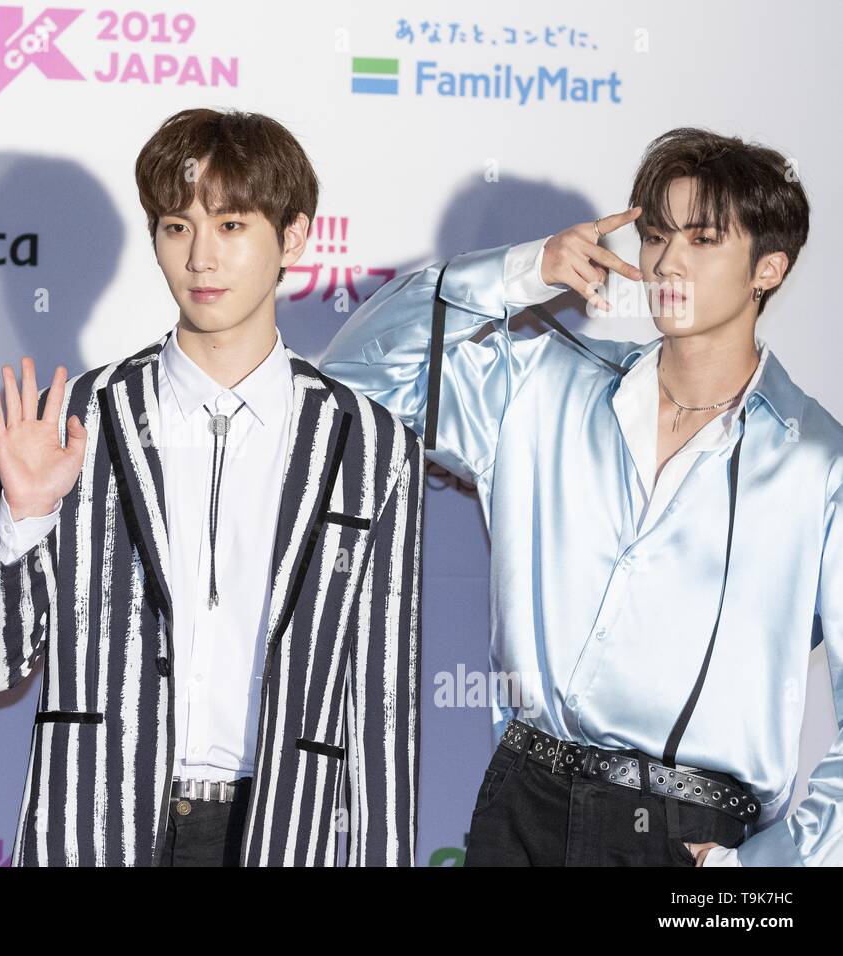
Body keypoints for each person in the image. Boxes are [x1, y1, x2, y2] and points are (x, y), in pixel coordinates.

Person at [319, 127, 841, 866]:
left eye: (703, 239)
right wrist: (518, 273)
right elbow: (354, 378)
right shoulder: (541, 384)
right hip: (522, 805)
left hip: (692, 836)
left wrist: (763, 869)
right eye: (657, 236)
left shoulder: (819, 463)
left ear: (769, 268)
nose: (668, 262)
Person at [0, 108, 423, 866]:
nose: (202, 257)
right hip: (96, 825)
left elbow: (382, 707)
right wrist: (24, 516)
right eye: (177, 227)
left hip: (281, 832)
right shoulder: (79, 416)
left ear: (294, 238)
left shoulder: (368, 444)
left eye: (232, 225)